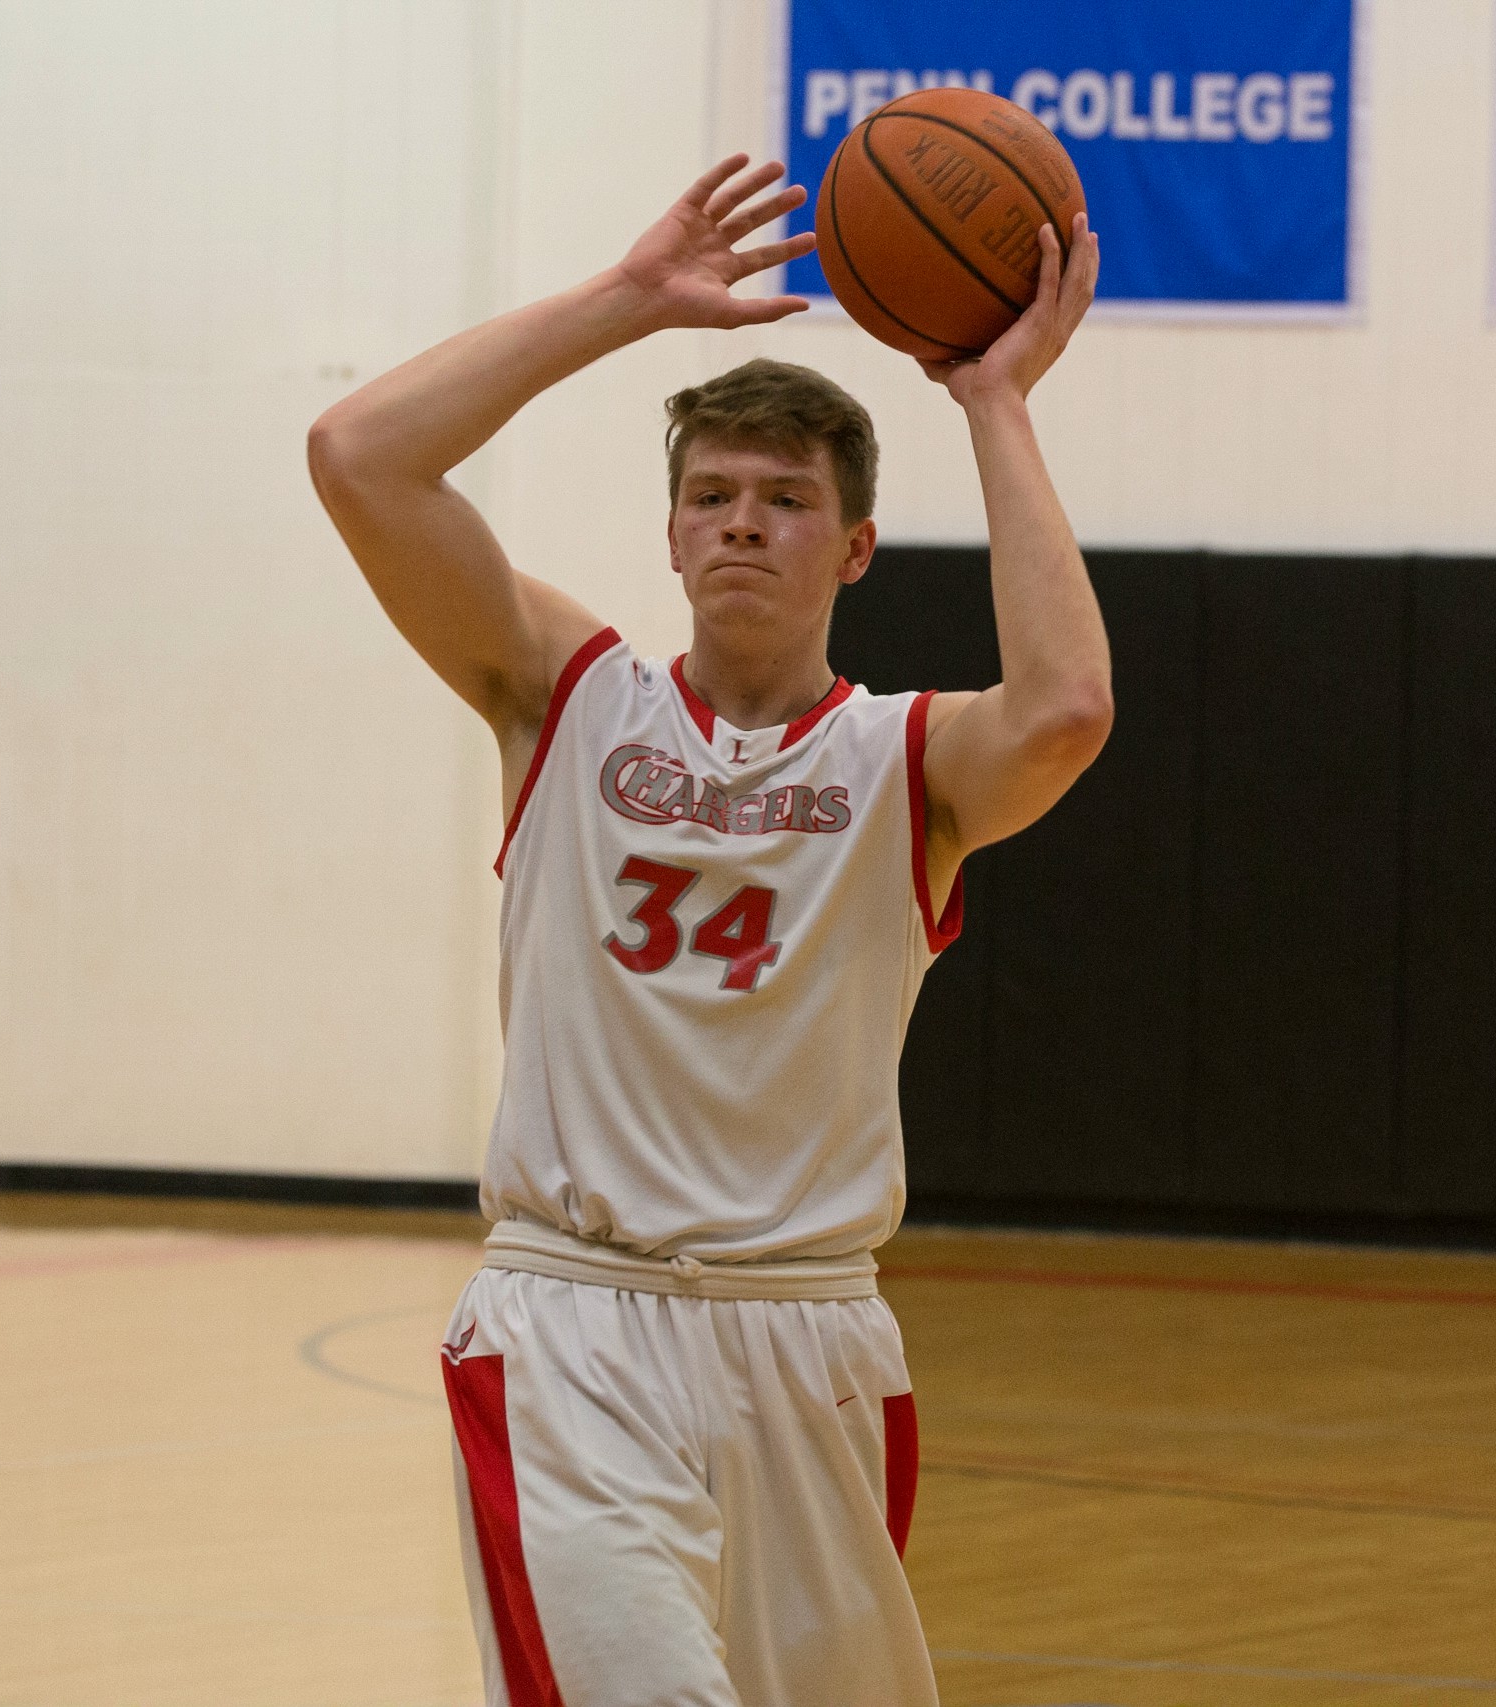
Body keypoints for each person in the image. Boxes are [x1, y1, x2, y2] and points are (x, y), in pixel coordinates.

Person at [308, 154, 1108, 1707]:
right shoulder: (565, 695)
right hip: (573, 1328)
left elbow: (1070, 705)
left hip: (809, 1333)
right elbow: (359, 456)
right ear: (672, 537)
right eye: (710, 499)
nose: (742, 525)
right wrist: (624, 302)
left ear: (853, 549)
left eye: (786, 501)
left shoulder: (907, 763)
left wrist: (996, 405)